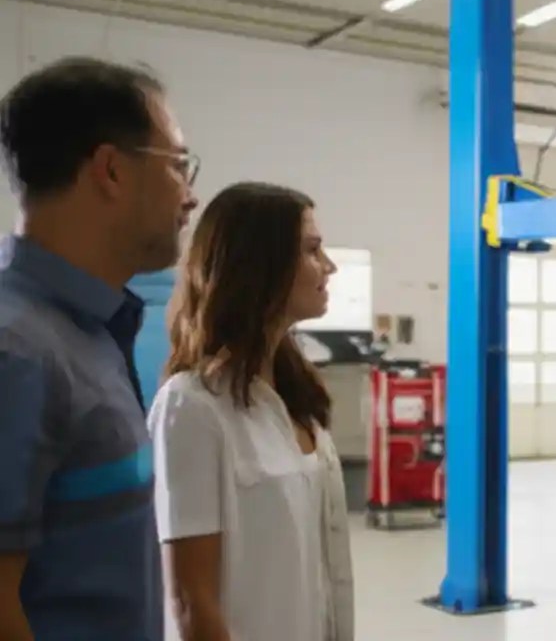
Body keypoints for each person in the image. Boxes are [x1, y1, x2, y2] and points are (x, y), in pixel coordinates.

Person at [0, 57, 199, 641]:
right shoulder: (19, 354)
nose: (190, 197)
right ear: (110, 169)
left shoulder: (90, 333)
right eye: (179, 167)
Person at [148, 181, 354, 641]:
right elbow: (189, 602)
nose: (330, 267)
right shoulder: (193, 408)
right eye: (312, 251)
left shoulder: (295, 398)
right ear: (261, 264)